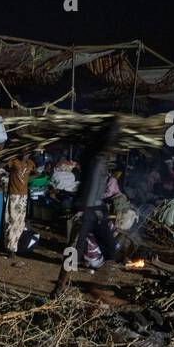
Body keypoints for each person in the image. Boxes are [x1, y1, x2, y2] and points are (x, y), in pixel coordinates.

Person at [52, 119, 121, 297]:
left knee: (110, 248)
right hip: (83, 209)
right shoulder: (91, 155)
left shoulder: (102, 158)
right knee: (73, 250)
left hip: (96, 210)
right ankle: (59, 286)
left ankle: (98, 287)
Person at [3, 152, 36, 258]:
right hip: (14, 195)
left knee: (20, 223)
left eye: (27, 153)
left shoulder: (30, 164)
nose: (24, 154)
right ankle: (10, 249)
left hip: (23, 196)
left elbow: (36, 173)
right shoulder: (14, 161)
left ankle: (12, 247)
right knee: (11, 221)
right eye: (23, 152)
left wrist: (27, 180)